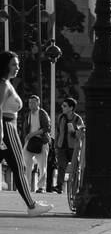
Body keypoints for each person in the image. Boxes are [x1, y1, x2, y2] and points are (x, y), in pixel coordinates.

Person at [0, 52, 51, 214]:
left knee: (19, 167)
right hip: (7, 129)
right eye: (14, 64)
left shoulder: (6, 83)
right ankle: (32, 206)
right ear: (5, 65)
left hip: (7, 128)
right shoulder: (3, 85)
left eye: (18, 64)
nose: (17, 68)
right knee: (20, 167)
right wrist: (1, 133)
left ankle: (31, 204)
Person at [19, 94, 52, 194]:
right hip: (30, 142)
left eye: (34, 102)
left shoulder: (42, 113)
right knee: (26, 164)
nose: (31, 104)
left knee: (42, 165)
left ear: (38, 103)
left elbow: (47, 128)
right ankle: (26, 186)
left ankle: (41, 187)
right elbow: (25, 129)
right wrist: (26, 139)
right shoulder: (28, 114)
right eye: (30, 102)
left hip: (41, 142)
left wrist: (34, 133)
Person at [55, 97, 84, 193]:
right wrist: (56, 146)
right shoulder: (60, 117)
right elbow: (58, 132)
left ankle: (75, 187)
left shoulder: (78, 119)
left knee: (75, 168)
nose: (62, 107)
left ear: (71, 108)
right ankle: (59, 187)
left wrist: (73, 132)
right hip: (62, 146)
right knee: (61, 166)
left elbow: (81, 134)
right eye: (62, 105)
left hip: (74, 147)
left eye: (64, 106)